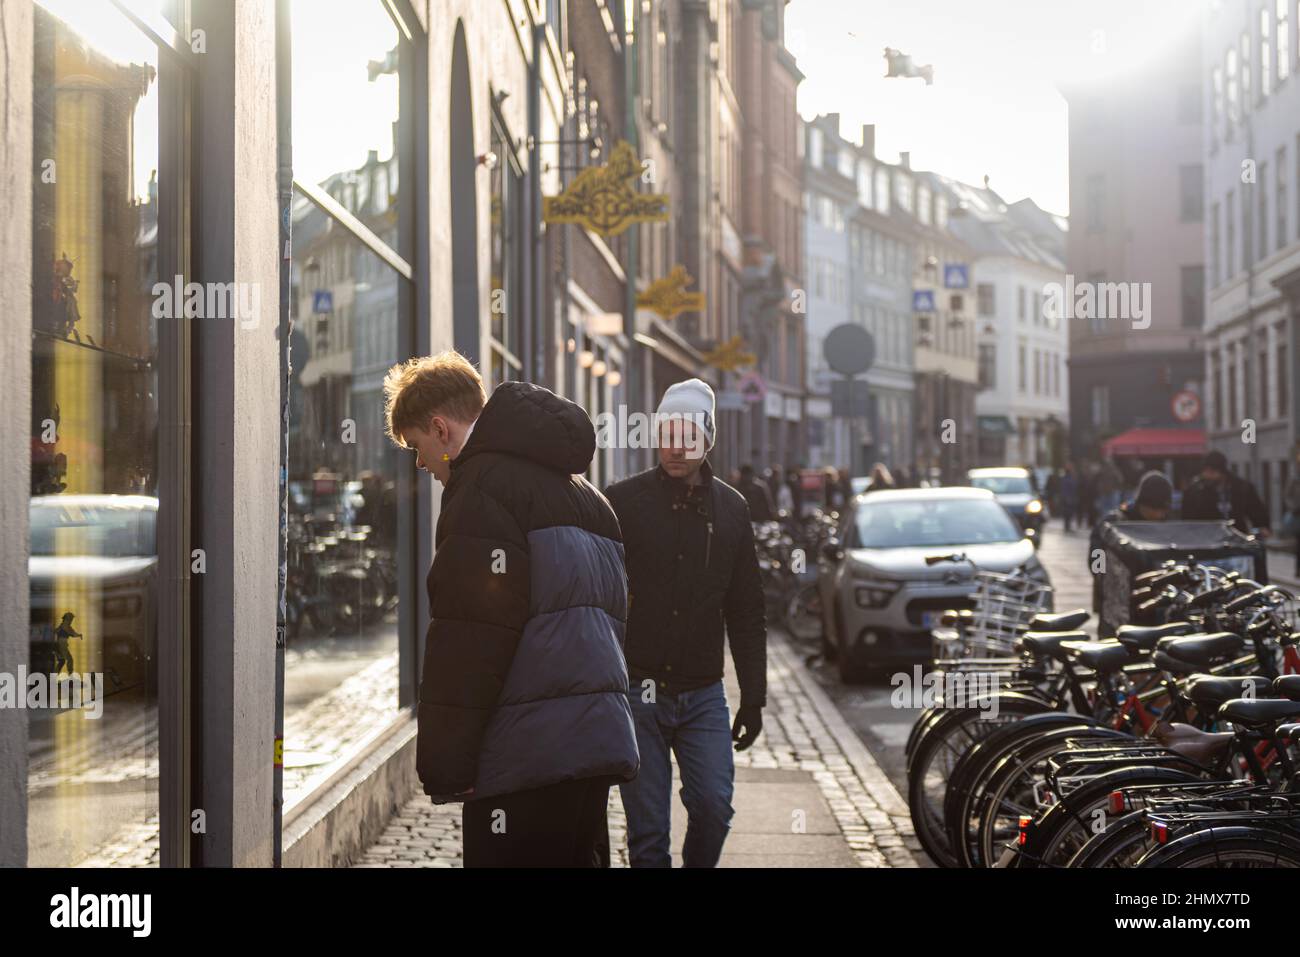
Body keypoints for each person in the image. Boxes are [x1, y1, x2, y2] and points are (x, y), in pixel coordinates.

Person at [383, 351, 638, 867]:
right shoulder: (588, 497)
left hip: (526, 756)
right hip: (592, 745)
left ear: (441, 428)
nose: (419, 462)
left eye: (417, 445)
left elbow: (471, 640)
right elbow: (614, 620)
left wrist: (447, 765)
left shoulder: (480, 493)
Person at [605, 378, 766, 868]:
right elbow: (599, 598)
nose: (675, 446)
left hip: (703, 695)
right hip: (640, 693)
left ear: (708, 439)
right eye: (666, 433)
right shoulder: (623, 502)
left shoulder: (733, 510)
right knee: (649, 836)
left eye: (687, 435)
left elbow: (745, 610)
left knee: (715, 809)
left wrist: (754, 696)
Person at [1089, 470, 1173, 619]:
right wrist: (1101, 575)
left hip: (1152, 601)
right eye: (1154, 509)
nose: (1159, 515)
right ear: (1143, 503)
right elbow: (1096, 553)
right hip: (1115, 603)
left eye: (1162, 511)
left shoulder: (1165, 525)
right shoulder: (1114, 523)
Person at [1180, 450, 1271, 537]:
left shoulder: (1241, 488)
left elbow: (1256, 509)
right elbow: (1188, 519)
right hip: (1206, 540)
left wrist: (1262, 526)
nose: (1207, 475)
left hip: (1237, 538)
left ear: (1222, 471)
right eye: (1205, 471)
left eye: (1212, 472)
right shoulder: (1196, 491)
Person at [1060, 462, 1080, 532]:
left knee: (1069, 513)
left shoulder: (1070, 478)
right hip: (1068, 498)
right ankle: (1067, 526)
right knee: (1068, 513)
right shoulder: (1067, 478)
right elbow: (1068, 488)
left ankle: (1067, 526)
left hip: (1070, 497)